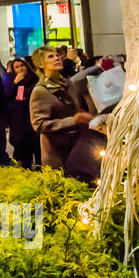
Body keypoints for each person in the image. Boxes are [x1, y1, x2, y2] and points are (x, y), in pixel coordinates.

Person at [30, 45, 103, 181]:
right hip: (56, 150)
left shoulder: (69, 84)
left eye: (57, 55)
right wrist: (73, 120)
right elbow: (38, 124)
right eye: (51, 57)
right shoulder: (40, 90)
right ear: (40, 64)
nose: (57, 58)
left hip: (78, 146)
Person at [7, 57, 40, 168]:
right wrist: (15, 83)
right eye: (17, 67)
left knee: (38, 150)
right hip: (21, 122)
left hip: (34, 118)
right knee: (25, 152)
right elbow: (9, 98)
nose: (20, 69)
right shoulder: (14, 82)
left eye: (22, 65)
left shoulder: (35, 79)